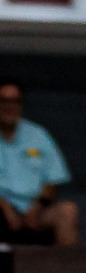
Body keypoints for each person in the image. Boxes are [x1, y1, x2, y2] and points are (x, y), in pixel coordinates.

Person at [0, 77, 79, 245]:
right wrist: (5, 209)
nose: (9, 106)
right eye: (4, 101)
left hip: (34, 208)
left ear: (21, 105)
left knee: (68, 211)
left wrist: (37, 207)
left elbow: (52, 179)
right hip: (1, 208)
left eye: (15, 101)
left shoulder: (38, 135)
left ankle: (70, 271)